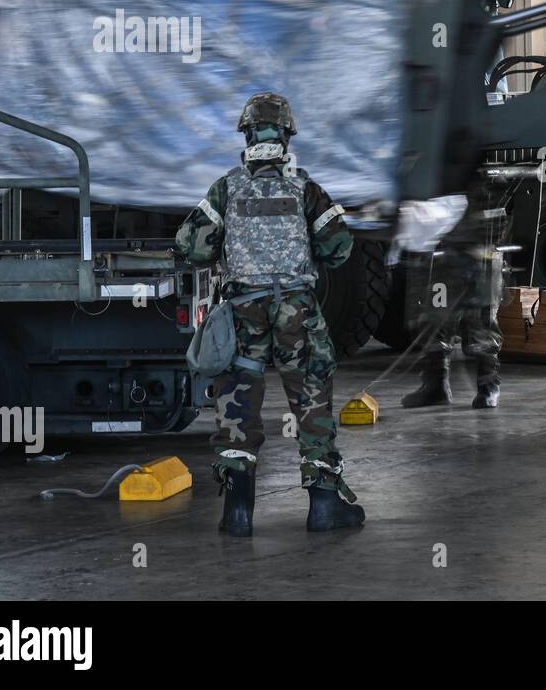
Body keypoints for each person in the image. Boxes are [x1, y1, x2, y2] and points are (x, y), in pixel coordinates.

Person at [175, 92, 365, 535]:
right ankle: (323, 507)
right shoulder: (306, 189)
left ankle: (237, 512)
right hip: (297, 310)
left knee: (238, 402)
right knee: (311, 398)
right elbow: (340, 249)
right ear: (286, 135)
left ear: (246, 134)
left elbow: (191, 246)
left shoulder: (226, 188)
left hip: (244, 309)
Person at [401, 178, 506, 410]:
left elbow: (496, 217)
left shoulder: (484, 173)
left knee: (481, 322)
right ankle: (435, 384)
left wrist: (473, 246)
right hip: (441, 255)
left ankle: (488, 385)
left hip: (478, 254)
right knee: (432, 318)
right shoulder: (437, 170)